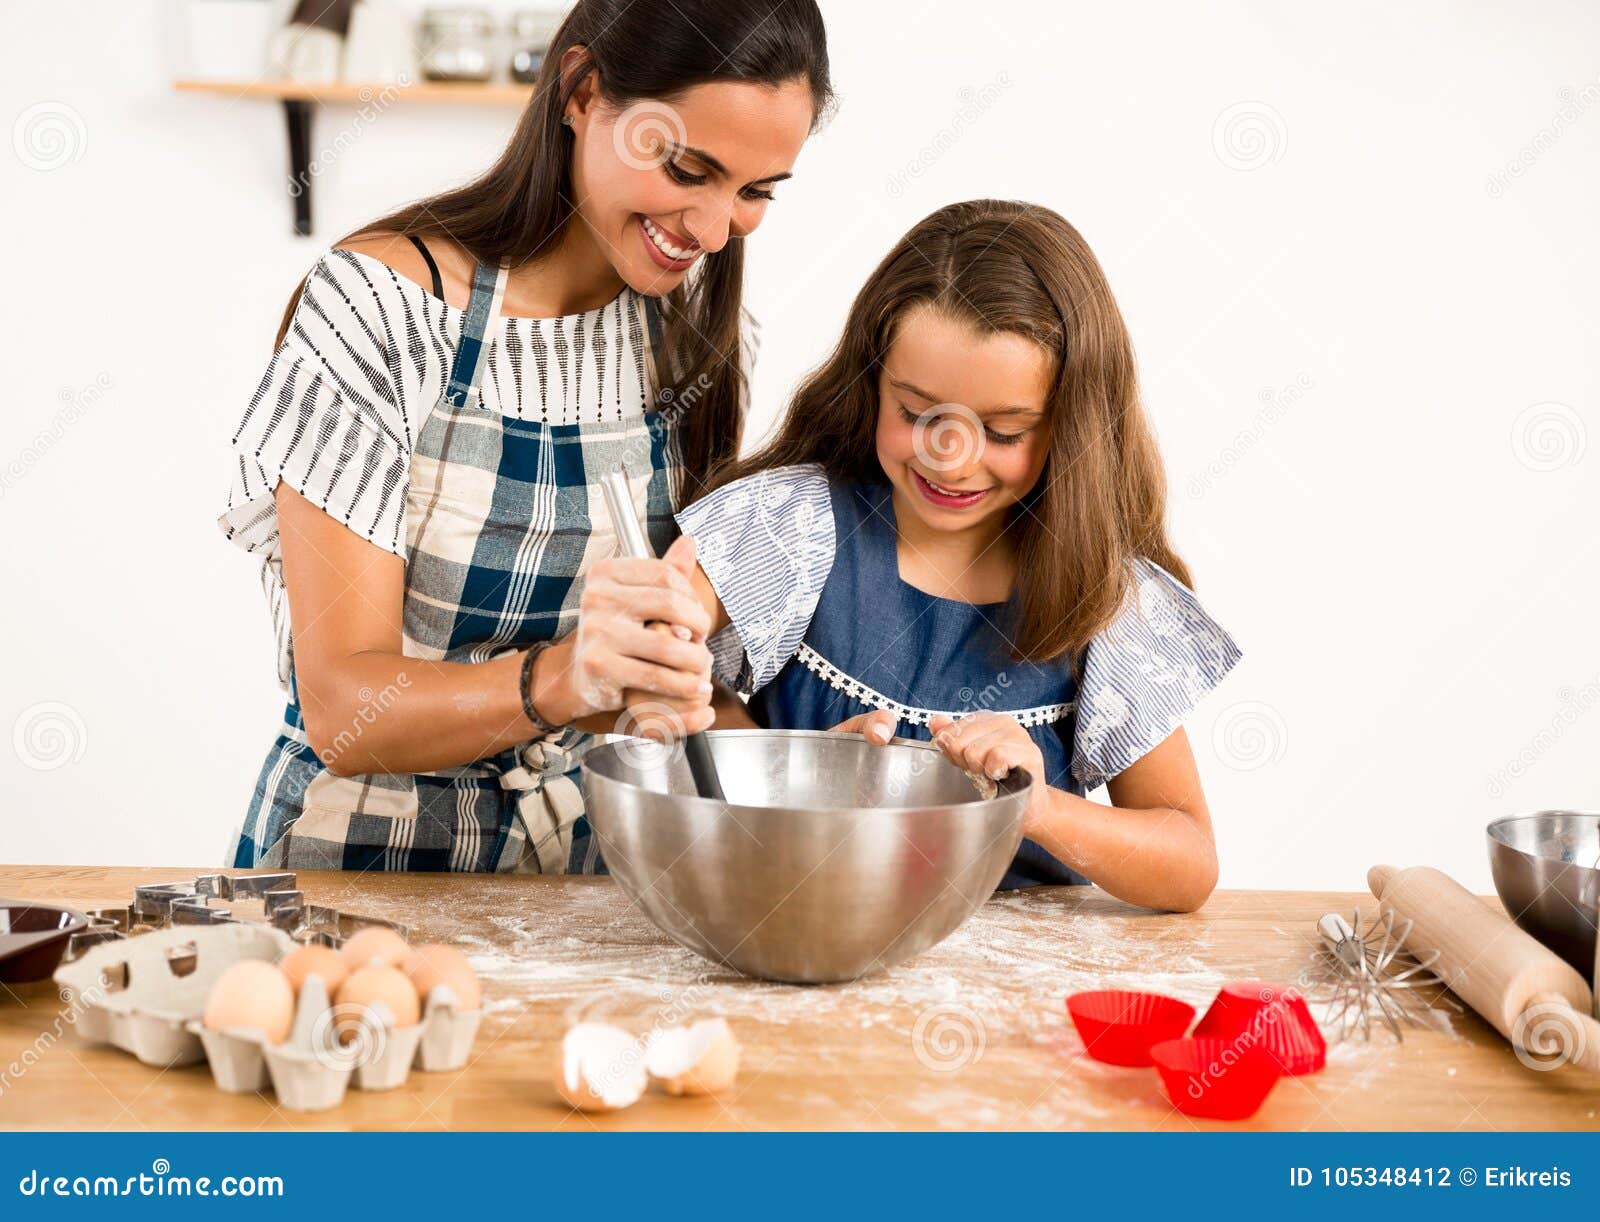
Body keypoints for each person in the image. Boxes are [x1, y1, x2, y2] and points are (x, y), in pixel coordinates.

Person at [218, 0, 832, 872]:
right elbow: (342, 705)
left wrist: (806, 769)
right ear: (581, 90)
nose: (712, 229)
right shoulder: (379, 312)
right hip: (359, 873)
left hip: (592, 883)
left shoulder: (697, 334)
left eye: (756, 191)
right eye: (690, 168)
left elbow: (664, 672)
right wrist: (563, 678)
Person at [674, 200, 1241, 911]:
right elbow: (663, 684)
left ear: (1072, 427)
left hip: (1011, 998)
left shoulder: (1104, 596)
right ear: (871, 380)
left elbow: (1187, 864)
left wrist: (1037, 809)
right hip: (800, 946)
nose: (951, 458)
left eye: (1004, 431)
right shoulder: (792, 526)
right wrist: (792, 774)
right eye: (916, 413)